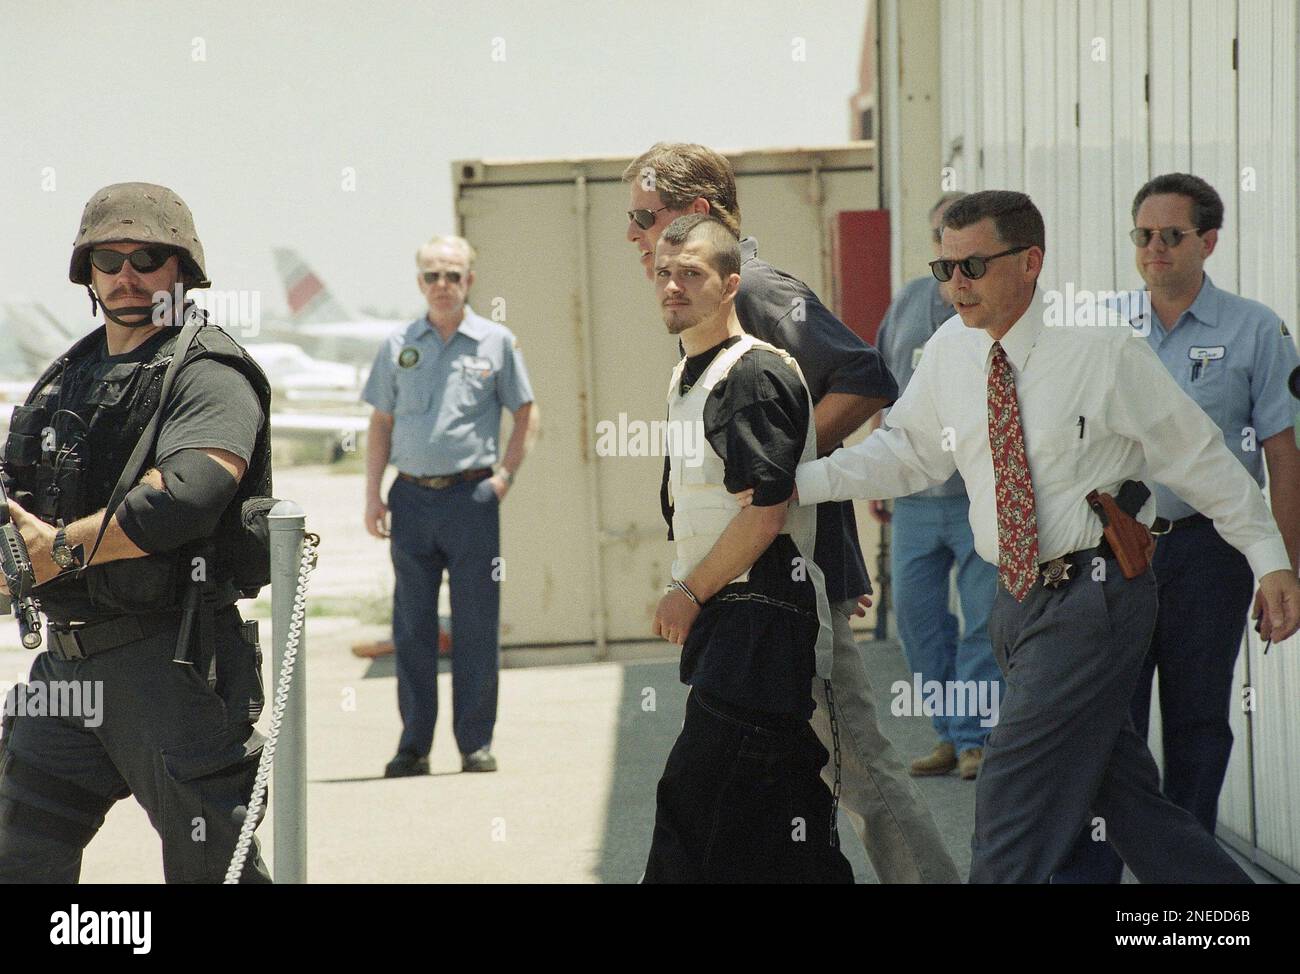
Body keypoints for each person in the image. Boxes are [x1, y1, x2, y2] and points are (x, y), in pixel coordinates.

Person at [782, 190, 1300, 883]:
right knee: (1122, 800)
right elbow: (908, 454)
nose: (955, 285)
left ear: (1030, 262)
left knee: (1011, 792)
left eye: (973, 267)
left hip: (1094, 596)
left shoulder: (1101, 351)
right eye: (945, 269)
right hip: (1016, 603)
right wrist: (797, 483)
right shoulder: (950, 352)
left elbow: (1198, 458)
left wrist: (1271, 560)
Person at [624, 142, 959, 884]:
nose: (635, 236)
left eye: (644, 217)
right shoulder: (695, 347)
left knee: (856, 773)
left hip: (779, 584)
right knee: (783, 788)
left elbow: (863, 380)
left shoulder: (760, 294)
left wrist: (784, 490)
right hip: (750, 581)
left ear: (699, 212)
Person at [0, 182, 274, 883]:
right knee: (18, 848)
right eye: (107, 258)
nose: (126, 274)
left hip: (166, 666)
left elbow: (184, 498)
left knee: (215, 865)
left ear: (181, 268)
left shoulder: (207, 371)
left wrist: (56, 551)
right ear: (86, 273)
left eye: (147, 256)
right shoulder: (71, 375)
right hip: (66, 668)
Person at [1055, 173, 1300, 883]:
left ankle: (1185, 883)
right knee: (1108, 724)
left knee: (1197, 722)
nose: (1154, 249)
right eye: (1142, 235)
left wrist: (1279, 564)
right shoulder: (1101, 327)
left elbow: (1282, 456)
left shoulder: (1256, 330)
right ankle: (1092, 877)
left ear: (1208, 241)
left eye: (1171, 235)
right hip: (1116, 551)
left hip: (1209, 554)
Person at [642, 214, 852, 883]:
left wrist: (687, 591)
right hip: (736, 623)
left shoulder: (751, 375)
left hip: (758, 620)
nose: (673, 285)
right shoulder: (689, 377)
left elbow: (764, 514)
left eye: (692, 273)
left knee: (693, 808)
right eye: (663, 273)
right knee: (783, 822)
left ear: (731, 283)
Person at [363, 236, 538, 777]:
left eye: (453, 275)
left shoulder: (495, 342)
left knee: (477, 624)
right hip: (411, 499)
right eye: (433, 275)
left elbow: (527, 411)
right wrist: (372, 493)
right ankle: (413, 745)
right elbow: (381, 423)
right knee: (412, 626)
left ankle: (474, 743)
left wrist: (504, 477)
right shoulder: (397, 345)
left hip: (473, 499)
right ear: (420, 282)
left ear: (470, 281)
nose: (443, 285)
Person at [869, 192, 1001, 781]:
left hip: (975, 497)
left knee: (980, 623)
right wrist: (879, 469)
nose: (955, 270)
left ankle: (977, 740)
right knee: (920, 624)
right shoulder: (906, 305)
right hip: (916, 502)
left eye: (968, 256)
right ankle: (947, 734)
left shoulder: (992, 310)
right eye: (943, 250)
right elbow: (882, 385)